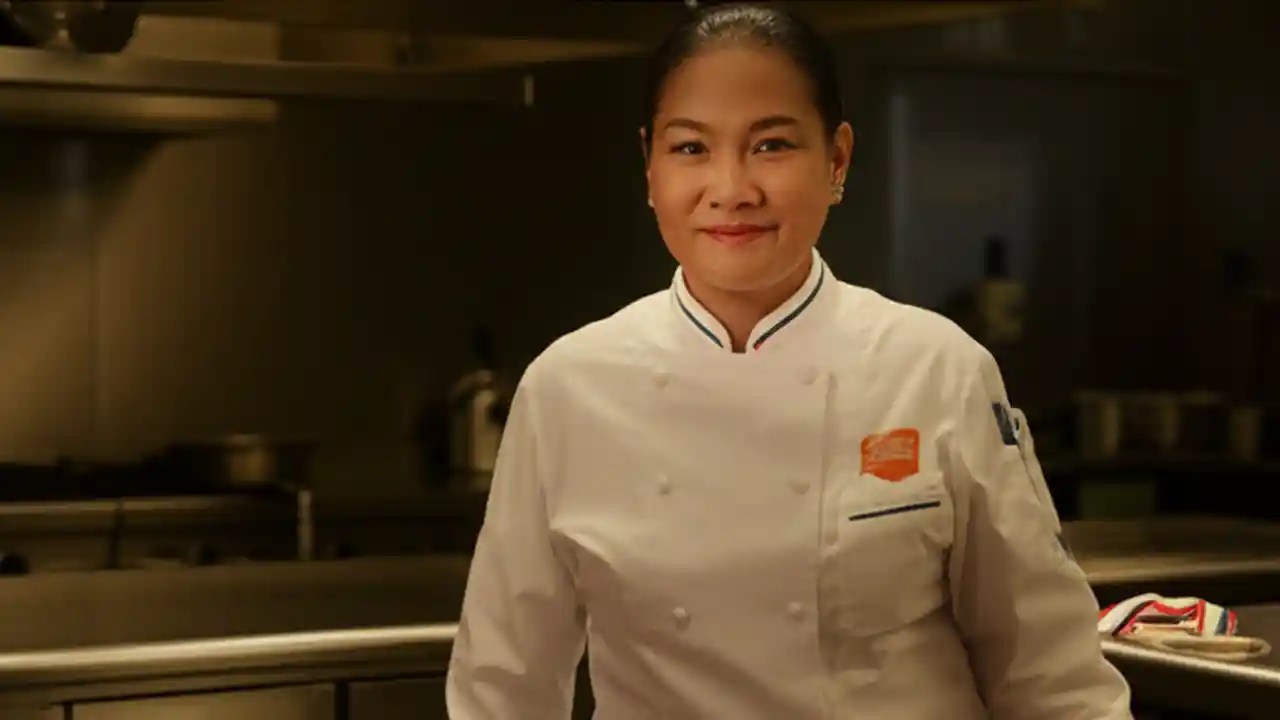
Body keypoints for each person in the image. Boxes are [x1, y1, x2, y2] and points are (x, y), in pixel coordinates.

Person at [446, 3, 1133, 718]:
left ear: (837, 159)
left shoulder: (936, 370)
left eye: (771, 145)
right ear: (649, 166)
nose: (732, 190)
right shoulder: (567, 389)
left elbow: (1052, 677)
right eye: (691, 148)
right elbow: (503, 689)